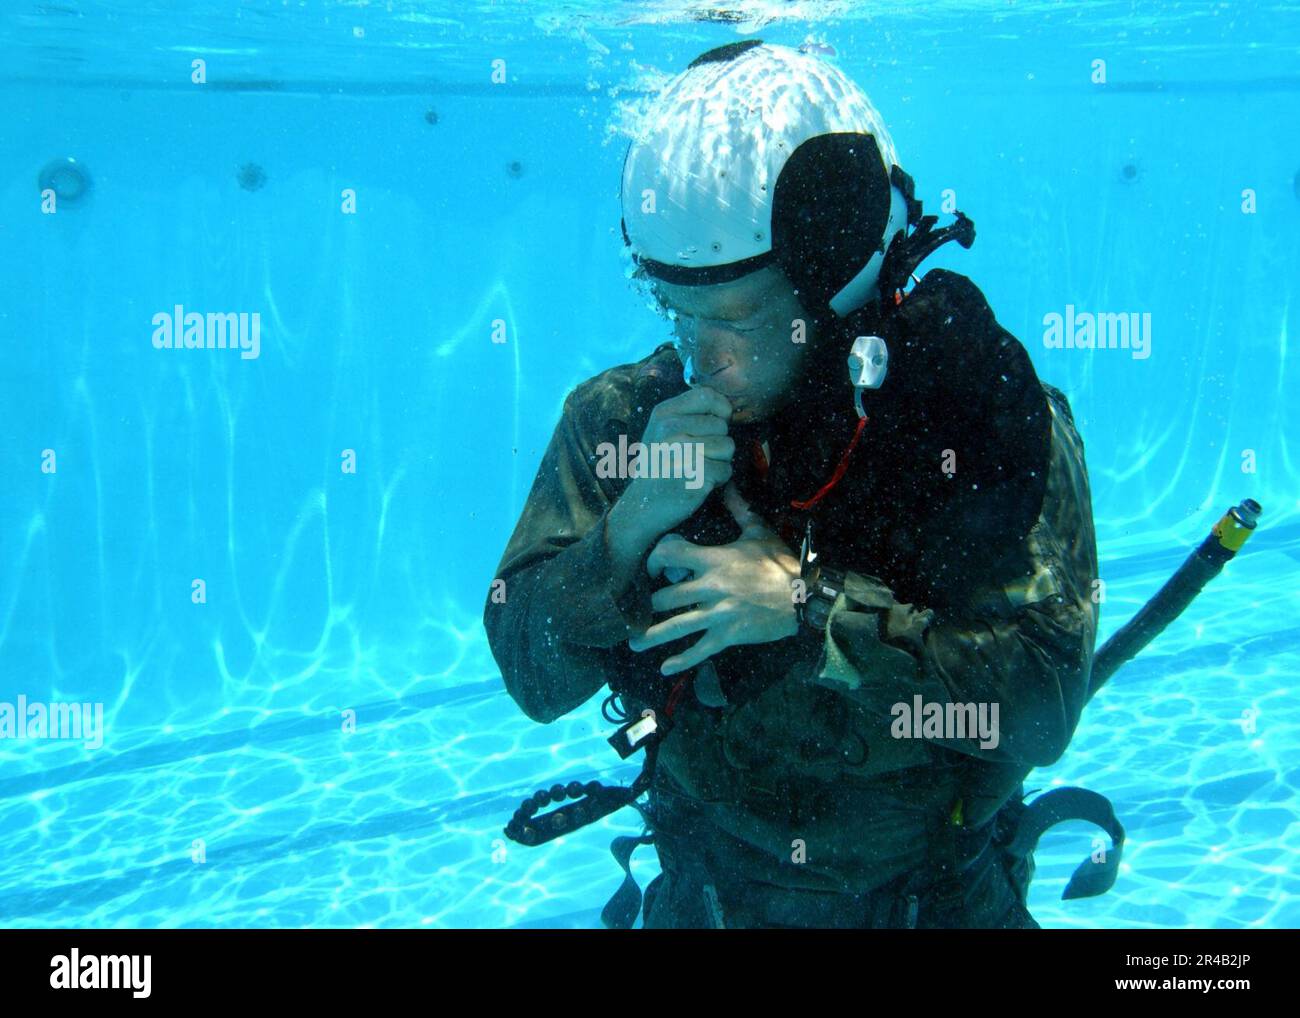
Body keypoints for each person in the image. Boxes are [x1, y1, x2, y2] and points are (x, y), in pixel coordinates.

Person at [484, 40, 1100, 928]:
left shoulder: (979, 421)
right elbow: (530, 678)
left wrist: (813, 611)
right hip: (708, 892)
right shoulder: (624, 422)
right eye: (675, 310)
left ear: (842, 281)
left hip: (937, 895)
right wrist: (624, 534)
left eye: (738, 317)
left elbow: (1042, 709)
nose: (703, 356)